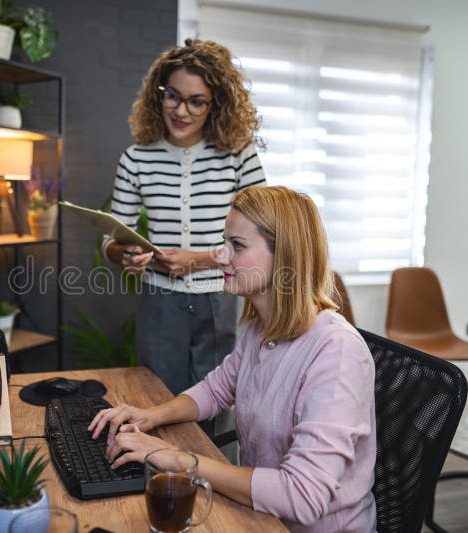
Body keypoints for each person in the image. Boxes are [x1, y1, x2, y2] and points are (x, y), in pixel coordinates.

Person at [90, 186, 377, 532]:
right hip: (258, 516)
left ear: (284, 256)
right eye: (225, 243)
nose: (221, 257)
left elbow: (303, 496)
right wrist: (151, 416)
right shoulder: (262, 329)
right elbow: (216, 390)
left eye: (237, 246)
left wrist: (180, 460)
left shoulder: (337, 352)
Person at [103, 39, 266, 396]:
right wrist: (126, 255)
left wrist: (201, 260)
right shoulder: (136, 159)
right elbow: (112, 241)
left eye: (197, 101)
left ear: (215, 104)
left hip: (220, 296)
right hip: (158, 302)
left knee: (218, 403)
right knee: (159, 400)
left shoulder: (239, 156)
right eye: (172, 96)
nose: (181, 111)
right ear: (157, 93)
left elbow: (264, 235)